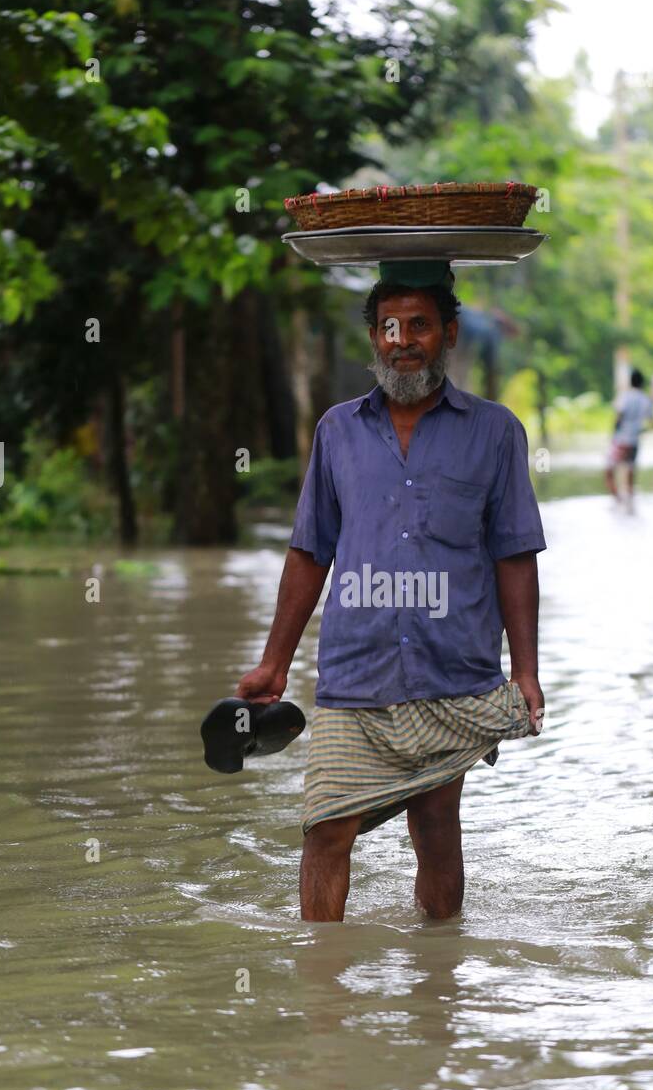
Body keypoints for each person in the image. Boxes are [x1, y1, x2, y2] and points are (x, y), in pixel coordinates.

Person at [234, 260, 547, 923]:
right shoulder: (337, 432)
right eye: (389, 327)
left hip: (451, 672)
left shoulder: (495, 433)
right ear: (374, 338)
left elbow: (513, 555)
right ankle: (324, 996)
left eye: (420, 326)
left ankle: (438, 987)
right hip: (356, 674)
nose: (403, 340)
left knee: (435, 831)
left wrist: (525, 670)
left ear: (450, 334)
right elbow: (308, 551)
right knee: (325, 830)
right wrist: (274, 663)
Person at [604, 368, 653, 499]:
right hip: (634, 440)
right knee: (630, 474)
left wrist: (613, 434)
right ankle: (630, 501)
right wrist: (641, 431)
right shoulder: (645, 399)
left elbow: (618, 417)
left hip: (621, 439)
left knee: (609, 471)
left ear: (630, 381)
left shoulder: (625, 396)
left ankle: (617, 499)